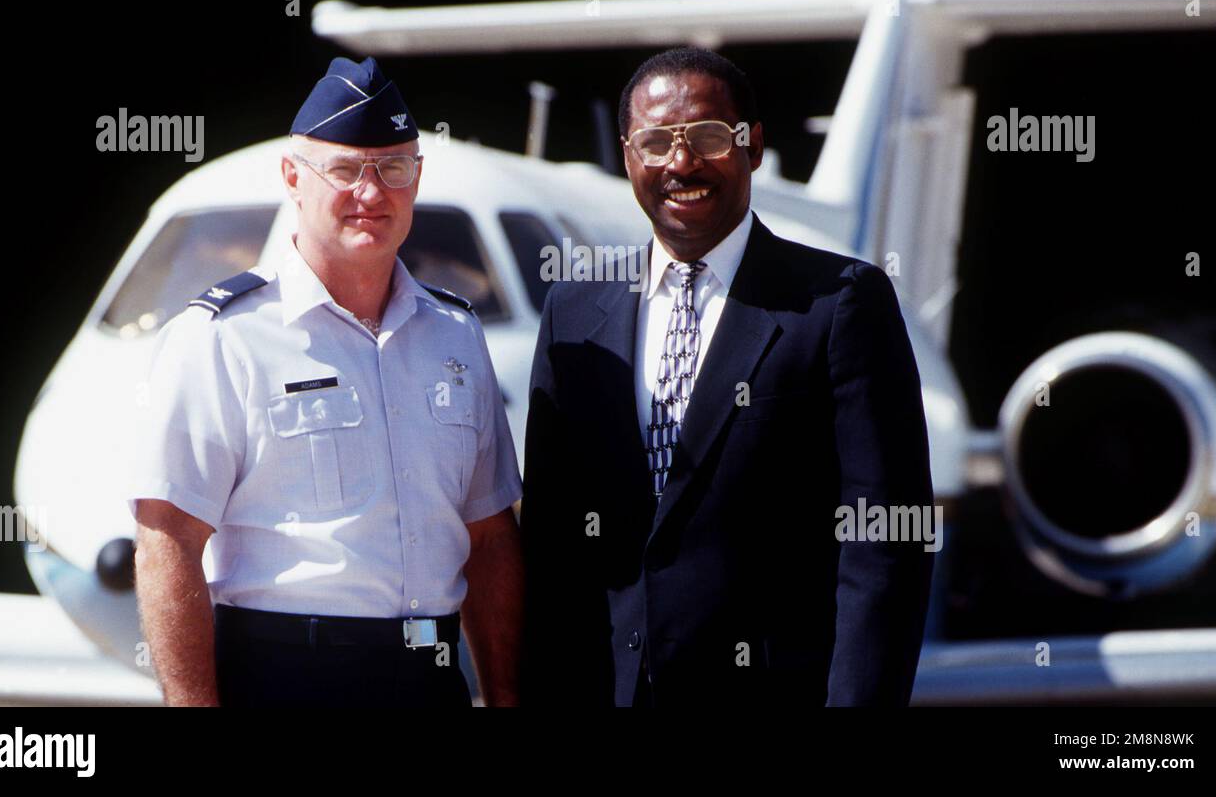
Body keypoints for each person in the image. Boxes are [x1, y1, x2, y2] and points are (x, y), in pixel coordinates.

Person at [520, 46, 934, 706]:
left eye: (709, 137)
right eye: (655, 142)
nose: (681, 163)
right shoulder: (574, 313)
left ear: (754, 146)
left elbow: (886, 540)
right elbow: (551, 545)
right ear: (627, 154)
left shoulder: (838, 303)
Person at [129, 56, 523, 706]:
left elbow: (490, 535)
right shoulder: (224, 336)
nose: (371, 194)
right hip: (287, 679)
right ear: (293, 177)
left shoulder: (456, 334)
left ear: (417, 177)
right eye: (344, 170)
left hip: (431, 679)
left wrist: (507, 697)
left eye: (393, 168)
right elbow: (168, 535)